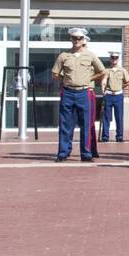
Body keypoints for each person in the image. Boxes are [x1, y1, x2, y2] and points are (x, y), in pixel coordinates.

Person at [52, 27, 105, 162]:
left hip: (84, 92)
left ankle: (86, 154)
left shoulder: (90, 55)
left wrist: (89, 79)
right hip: (68, 92)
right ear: (71, 39)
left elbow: (102, 71)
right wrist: (64, 79)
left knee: (86, 124)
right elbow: (55, 74)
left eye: (79, 38)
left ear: (83, 40)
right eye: (74, 38)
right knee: (65, 124)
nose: (77, 40)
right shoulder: (63, 55)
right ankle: (63, 153)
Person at [100, 51, 129, 143]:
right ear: (110, 59)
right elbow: (104, 81)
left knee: (119, 117)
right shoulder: (107, 70)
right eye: (112, 58)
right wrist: (103, 89)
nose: (114, 59)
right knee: (106, 117)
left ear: (118, 59)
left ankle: (119, 136)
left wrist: (121, 87)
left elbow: (127, 82)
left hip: (118, 95)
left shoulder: (123, 70)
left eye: (116, 58)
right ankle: (105, 136)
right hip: (108, 95)